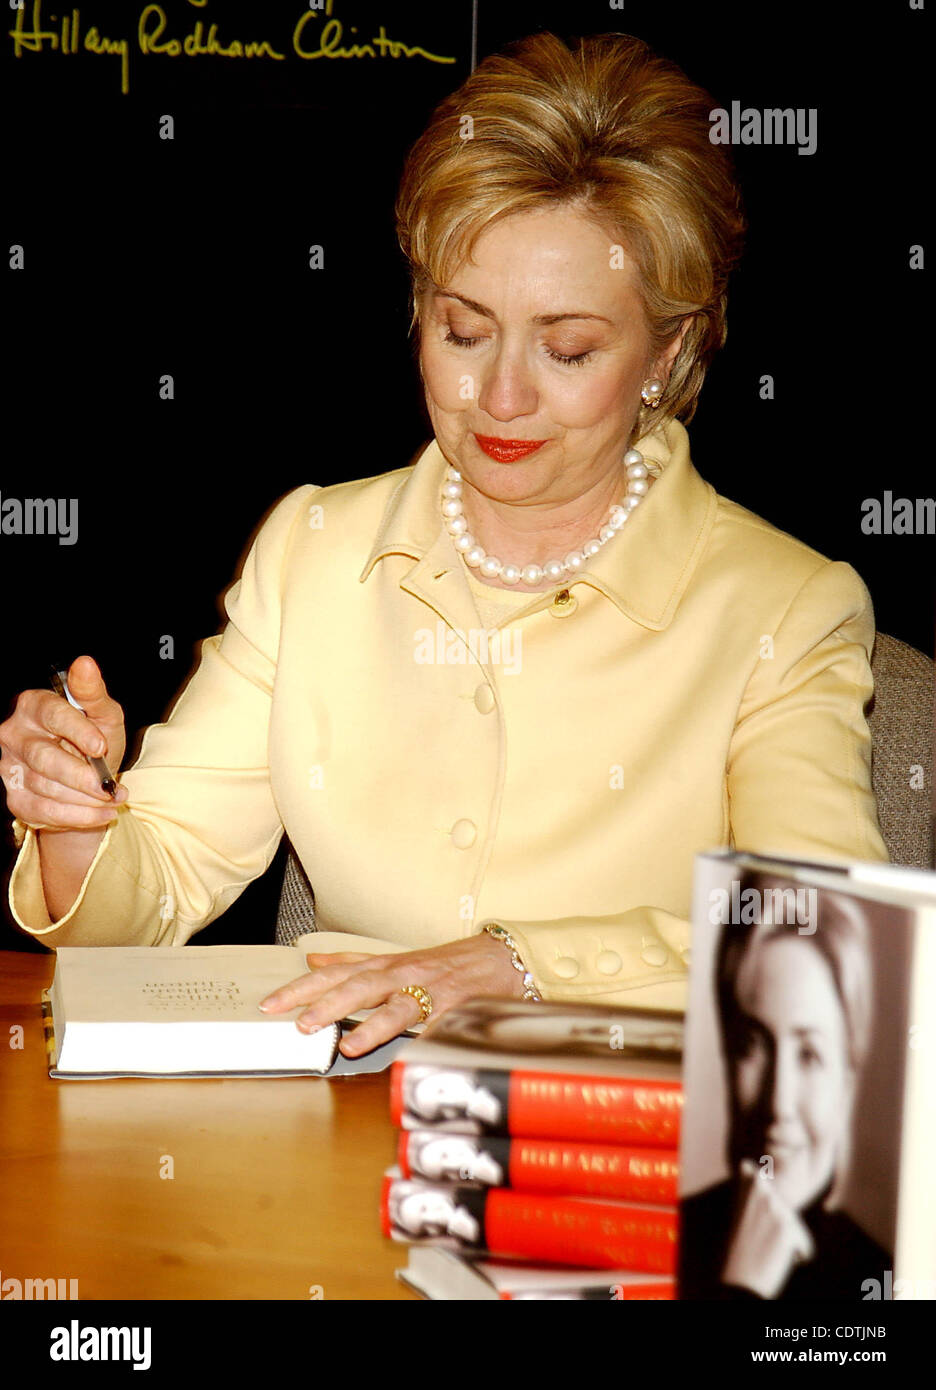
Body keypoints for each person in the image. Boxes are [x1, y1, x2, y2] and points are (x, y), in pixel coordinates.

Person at [1, 32, 888, 1060]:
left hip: (607, 1158)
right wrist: (75, 821)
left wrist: (515, 962)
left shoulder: (782, 607)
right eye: (464, 332)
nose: (501, 397)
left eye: (568, 350)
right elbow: (147, 900)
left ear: (671, 348)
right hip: (339, 1155)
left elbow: (824, 947)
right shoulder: (315, 550)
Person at [679, 881, 893, 1299]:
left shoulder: (891, 1277)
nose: (779, 1104)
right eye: (753, 1047)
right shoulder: (668, 1235)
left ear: (848, 1076)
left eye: (810, 1054)